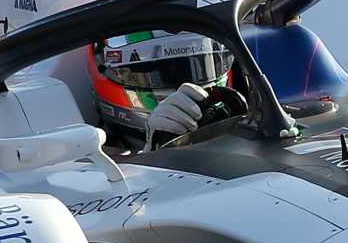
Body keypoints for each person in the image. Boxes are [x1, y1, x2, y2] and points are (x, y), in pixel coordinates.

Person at [88, 30, 242, 152]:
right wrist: (152, 152)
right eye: (156, 73)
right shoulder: (88, 161)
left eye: (199, 66)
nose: (184, 89)